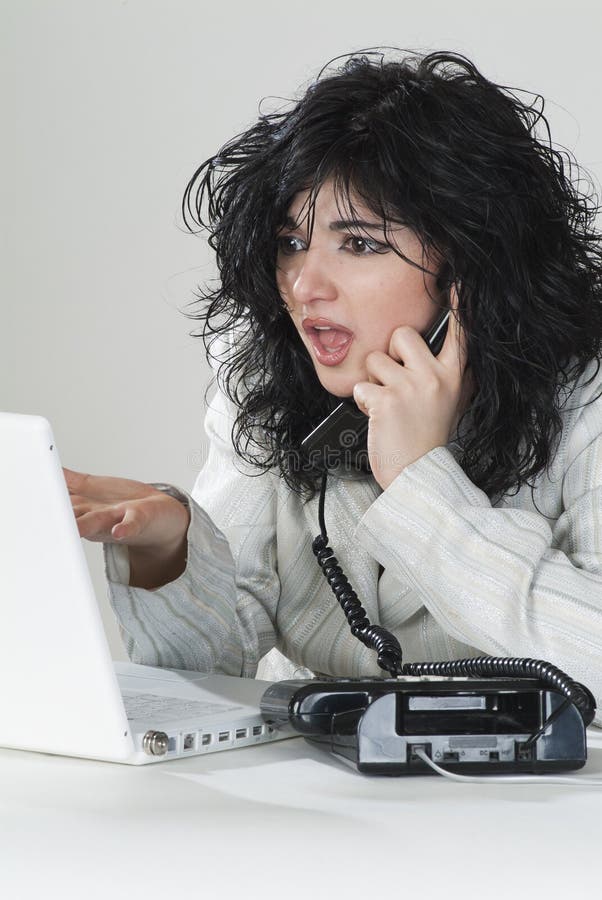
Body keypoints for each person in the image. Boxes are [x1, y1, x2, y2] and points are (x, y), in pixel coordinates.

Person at [64, 49, 602, 719]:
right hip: (329, 812)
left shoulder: (587, 396)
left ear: (473, 260)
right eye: (292, 242)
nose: (306, 287)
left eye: (360, 244)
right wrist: (167, 554)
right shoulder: (267, 376)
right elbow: (210, 673)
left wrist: (421, 484)